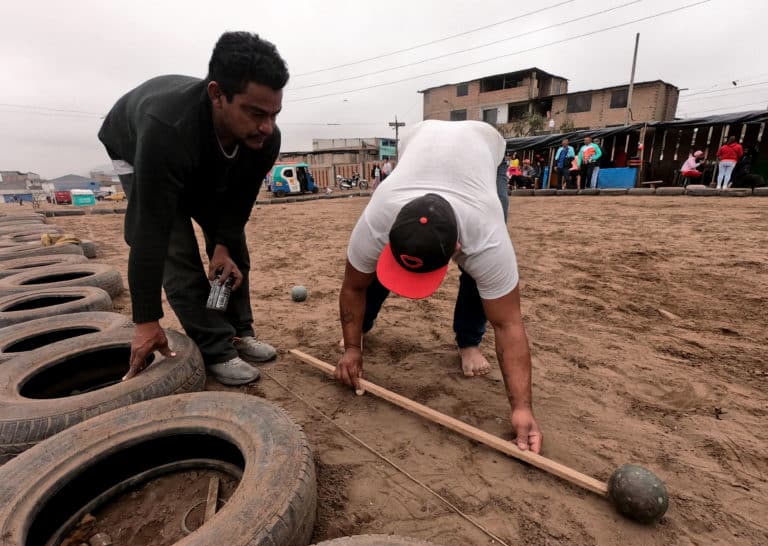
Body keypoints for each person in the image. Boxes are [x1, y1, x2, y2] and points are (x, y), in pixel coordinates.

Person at [334, 120, 543, 453]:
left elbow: (508, 322)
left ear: (458, 249)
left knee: (481, 279)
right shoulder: (379, 216)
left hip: (487, 149)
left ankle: (469, 342)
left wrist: (522, 408)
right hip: (421, 142)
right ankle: (363, 329)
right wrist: (352, 348)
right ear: (389, 236)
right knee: (368, 274)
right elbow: (353, 286)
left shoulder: (485, 237)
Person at [98, 31, 288, 385]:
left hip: (197, 155)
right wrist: (146, 321)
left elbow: (237, 206)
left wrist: (222, 247)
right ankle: (216, 348)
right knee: (177, 247)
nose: (267, 127)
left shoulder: (264, 138)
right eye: (256, 113)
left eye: (275, 114)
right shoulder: (166, 130)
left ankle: (236, 330)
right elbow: (150, 234)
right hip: (135, 144)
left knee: (231, 246)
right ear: (217, 94)